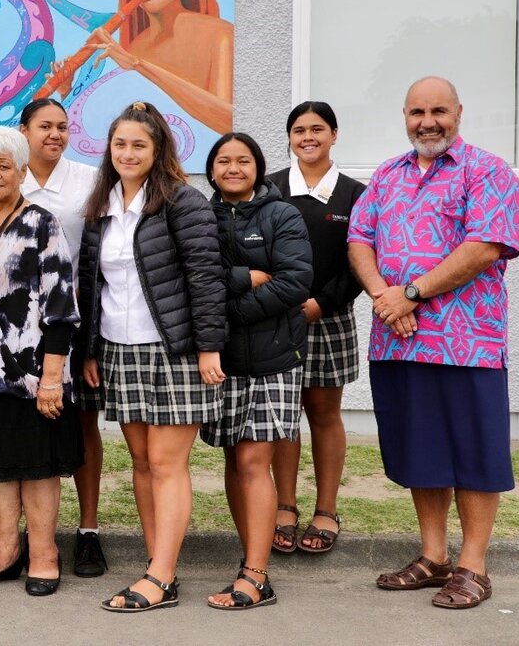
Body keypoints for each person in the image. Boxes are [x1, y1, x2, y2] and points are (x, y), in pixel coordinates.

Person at [348, 76, 519, 610]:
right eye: (417, 112)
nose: (428, 122)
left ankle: (473, 566)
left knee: (474, 454)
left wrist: (411, 294)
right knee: (420, 452)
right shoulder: (387, 175)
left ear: (459, 113)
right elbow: (359, 239)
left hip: (466, 343)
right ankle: (433, 557)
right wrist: (384, 297)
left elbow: (485, 246)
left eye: (438, 111)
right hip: (398, 342)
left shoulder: (486, 170)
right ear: (405, 116)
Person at [79, 101, 226, 612]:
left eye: (139, 144)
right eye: (119, 144)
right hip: (119, 349)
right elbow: (92, 284)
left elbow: (206, 278)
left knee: (166, 463)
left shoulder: (184, 201)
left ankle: (160, 577)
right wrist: (91, 351)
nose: (128, 153)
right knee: (141, 462)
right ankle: (157, 565)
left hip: (174, 349)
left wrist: (209, 347)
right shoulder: (101, 203)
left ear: (158, 148)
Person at [0, 126, 81, 597]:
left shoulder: (42, 224)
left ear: (23, 171)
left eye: (4, 165)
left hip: (31, 376)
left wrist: (51, 379)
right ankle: (5, 551)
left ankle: (44, 554)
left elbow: (61, 306)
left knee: (37, 468)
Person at [201, 132, 313, 610]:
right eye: (223, 161)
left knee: (252, 462)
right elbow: (196, 278)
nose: (233, 168)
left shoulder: (281, 214)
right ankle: (250, 558)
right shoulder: (199, 217)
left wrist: (229, 311)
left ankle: (256, 575)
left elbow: (295, 281)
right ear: (211, 170)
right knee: (233, 459)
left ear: (258, 168)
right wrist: (241, 279)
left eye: (243, 160)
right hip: (222, 362)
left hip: (274, 359)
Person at [267, 102, 366, 554]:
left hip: (330, 316)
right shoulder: (269, 188)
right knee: (283, 416)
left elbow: (361, 259)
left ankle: (326, 509)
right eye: (299, 130)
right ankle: (284, 507)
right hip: (275, 317)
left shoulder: (355, 194)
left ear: (334, 134)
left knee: (324, 415)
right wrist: (282, 300)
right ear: (290, 137)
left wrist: (322, 303)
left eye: (317, 129)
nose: (308, 137)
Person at [16, 98, 107, 577]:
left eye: (62, 127)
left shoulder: (89, 181)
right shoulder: (9, 176)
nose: (55, 134)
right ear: (23, 131)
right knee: (27, 429)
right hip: (18, 329)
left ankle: (88, 531)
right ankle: (30, 535)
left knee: (84, 426)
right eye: (44, 126)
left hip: (75, 321)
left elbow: (97, 255)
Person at [64, 0, 233, 133]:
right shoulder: (135, 48)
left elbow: (228, 121)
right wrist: (67, 91)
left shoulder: (221, 36)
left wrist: (139, 66)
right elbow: (117, 125)